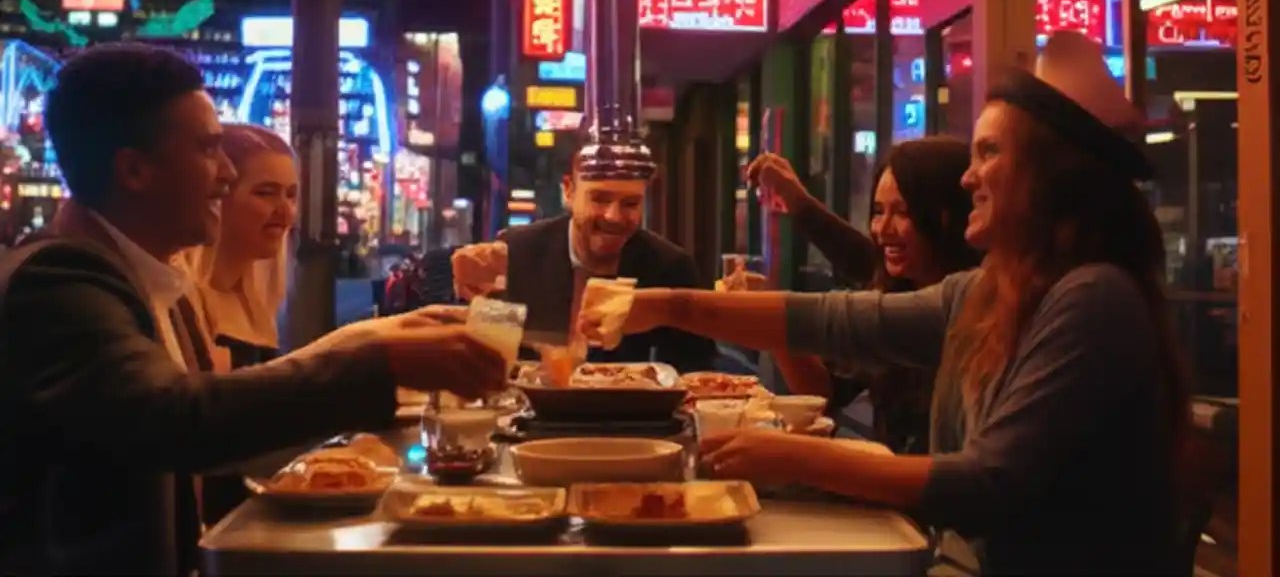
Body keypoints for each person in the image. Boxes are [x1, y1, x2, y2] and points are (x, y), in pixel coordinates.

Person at [582, 32, 1190, 574]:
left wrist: (800, 456)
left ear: (1052, 174)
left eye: (988, 153)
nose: (967, 177)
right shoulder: (986, 290)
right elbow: (833, 319)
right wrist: (663, 304)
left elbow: (988, 483)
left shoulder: (1093, 298)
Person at [0, 44, 507, 576]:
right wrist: (384, 362)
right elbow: (174, 419)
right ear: (134, 170)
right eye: (208, 150)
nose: (224, 174)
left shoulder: (152, 280)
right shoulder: (56, 280)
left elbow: (217, 448)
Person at [747, 138, 979, 453]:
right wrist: (763, 318)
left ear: (947, 216)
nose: (883, 229)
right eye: (878, 211)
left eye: (903, 212)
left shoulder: (975, 309)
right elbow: (822, 391)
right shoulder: (895, 290)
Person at [452, 143, 717, 373]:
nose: (613, 216)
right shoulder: (518, 252)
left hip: (630, 426)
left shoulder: (671, 268)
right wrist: (469, 291)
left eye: (630, 204)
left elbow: (696, 375)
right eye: (600, 199)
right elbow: (485, 360)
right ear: (569, 191)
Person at [184, 123, 297, 370]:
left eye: (291, 195)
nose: (285, 211)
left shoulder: (257, 303)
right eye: (265, 193)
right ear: (218, 196)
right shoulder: (181, 301)